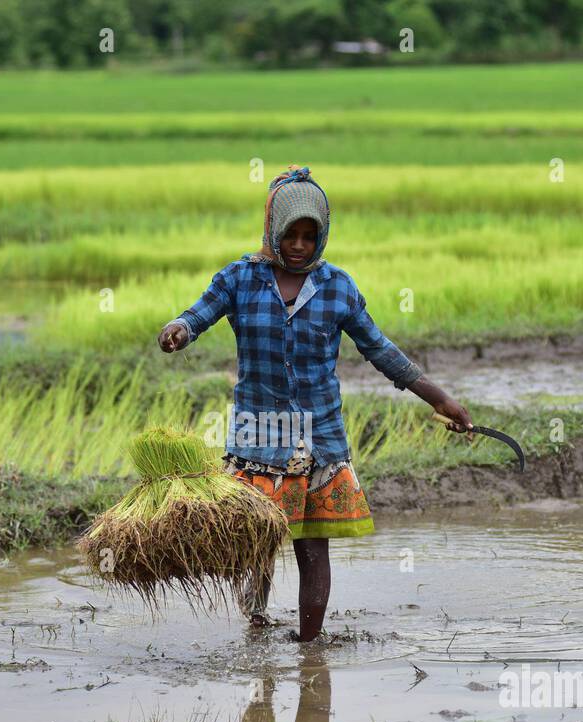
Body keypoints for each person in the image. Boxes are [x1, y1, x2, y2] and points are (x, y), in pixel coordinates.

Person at [159, 165, 472, 642]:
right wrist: (178, 331)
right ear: (272, 231)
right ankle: (256, 623)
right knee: (256, 543)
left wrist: (441, 398)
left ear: (322, 236)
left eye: (311, 235)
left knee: (312, 549)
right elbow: (197, 314)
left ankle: (310, 645)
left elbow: (380, 349)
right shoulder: (240, 279)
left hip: (318, 438)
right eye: (291, 235)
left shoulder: (337, 288)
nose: (300, 245)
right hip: (258, 436)